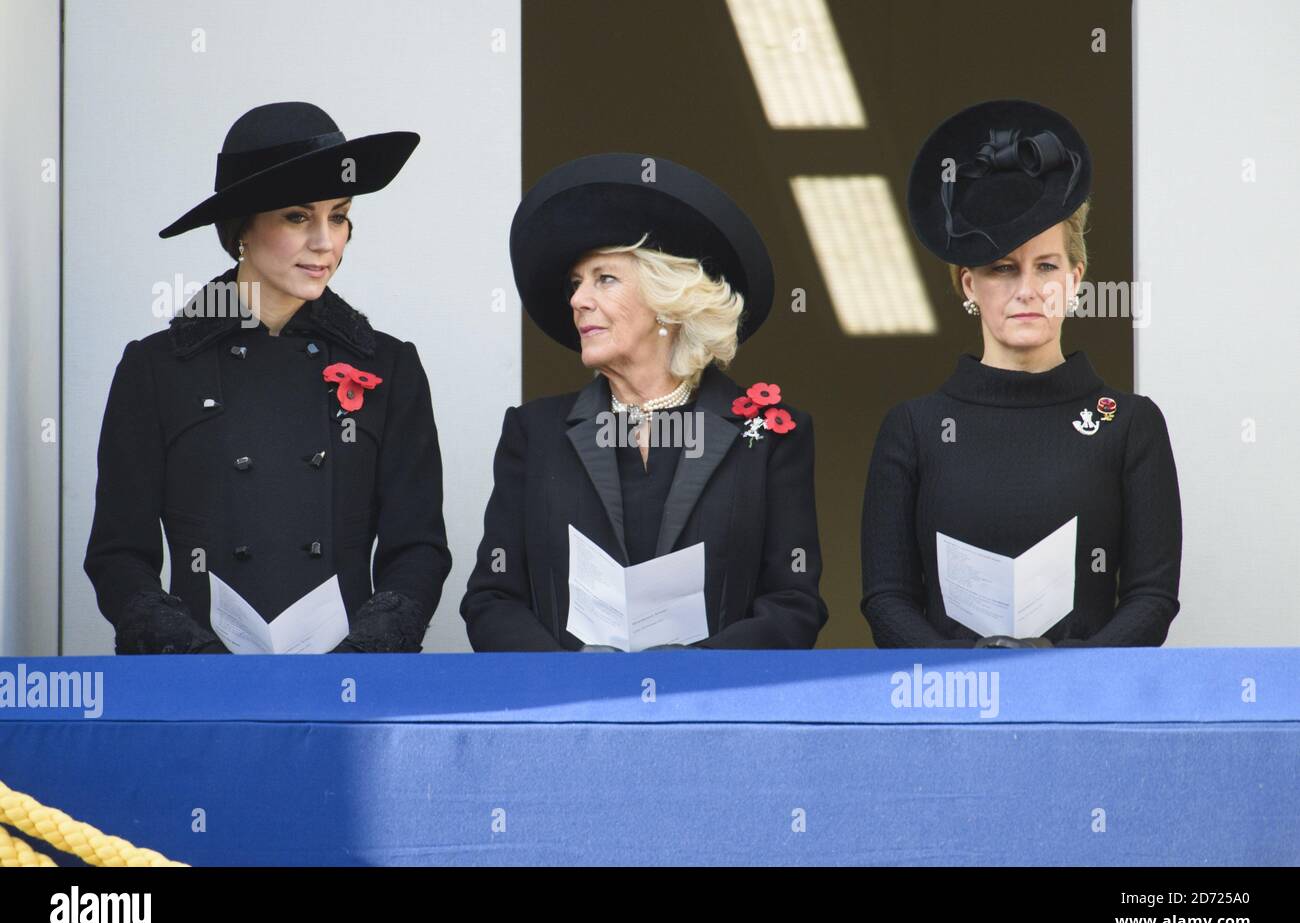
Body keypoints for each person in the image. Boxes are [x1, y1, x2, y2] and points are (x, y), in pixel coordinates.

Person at [84, 101, 451, 653]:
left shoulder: (390, 366)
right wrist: (195, 658)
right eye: (298, 217)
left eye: (340, 215)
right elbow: (119, 555)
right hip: (203, 688)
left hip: (350, 686)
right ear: (242, 232)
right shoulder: (154, 369)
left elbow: (418, 548)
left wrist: (362, 655)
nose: (326, 242)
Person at [462, 153, 827, 650]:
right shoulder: (535, 433)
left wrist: (687, 674)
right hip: (570, 716)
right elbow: (492, 600)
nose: (577, 300)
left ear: (668, 302)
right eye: (576, 283)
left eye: (604, 278)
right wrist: (569, 680)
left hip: (710, 715)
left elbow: (793, 604)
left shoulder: (766, 436)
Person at [861, 99, 1182, 647]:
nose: (1027, 289)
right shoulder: (914, 428)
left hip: (1085, 707)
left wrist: (1063, 672)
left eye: (1047, 266)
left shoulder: (1129, 424)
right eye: (1001, 269)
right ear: (968, 284)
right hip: (948, 710)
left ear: (1076, 278)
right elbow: (886, 599)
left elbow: (1152, 599)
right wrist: (964, 673)